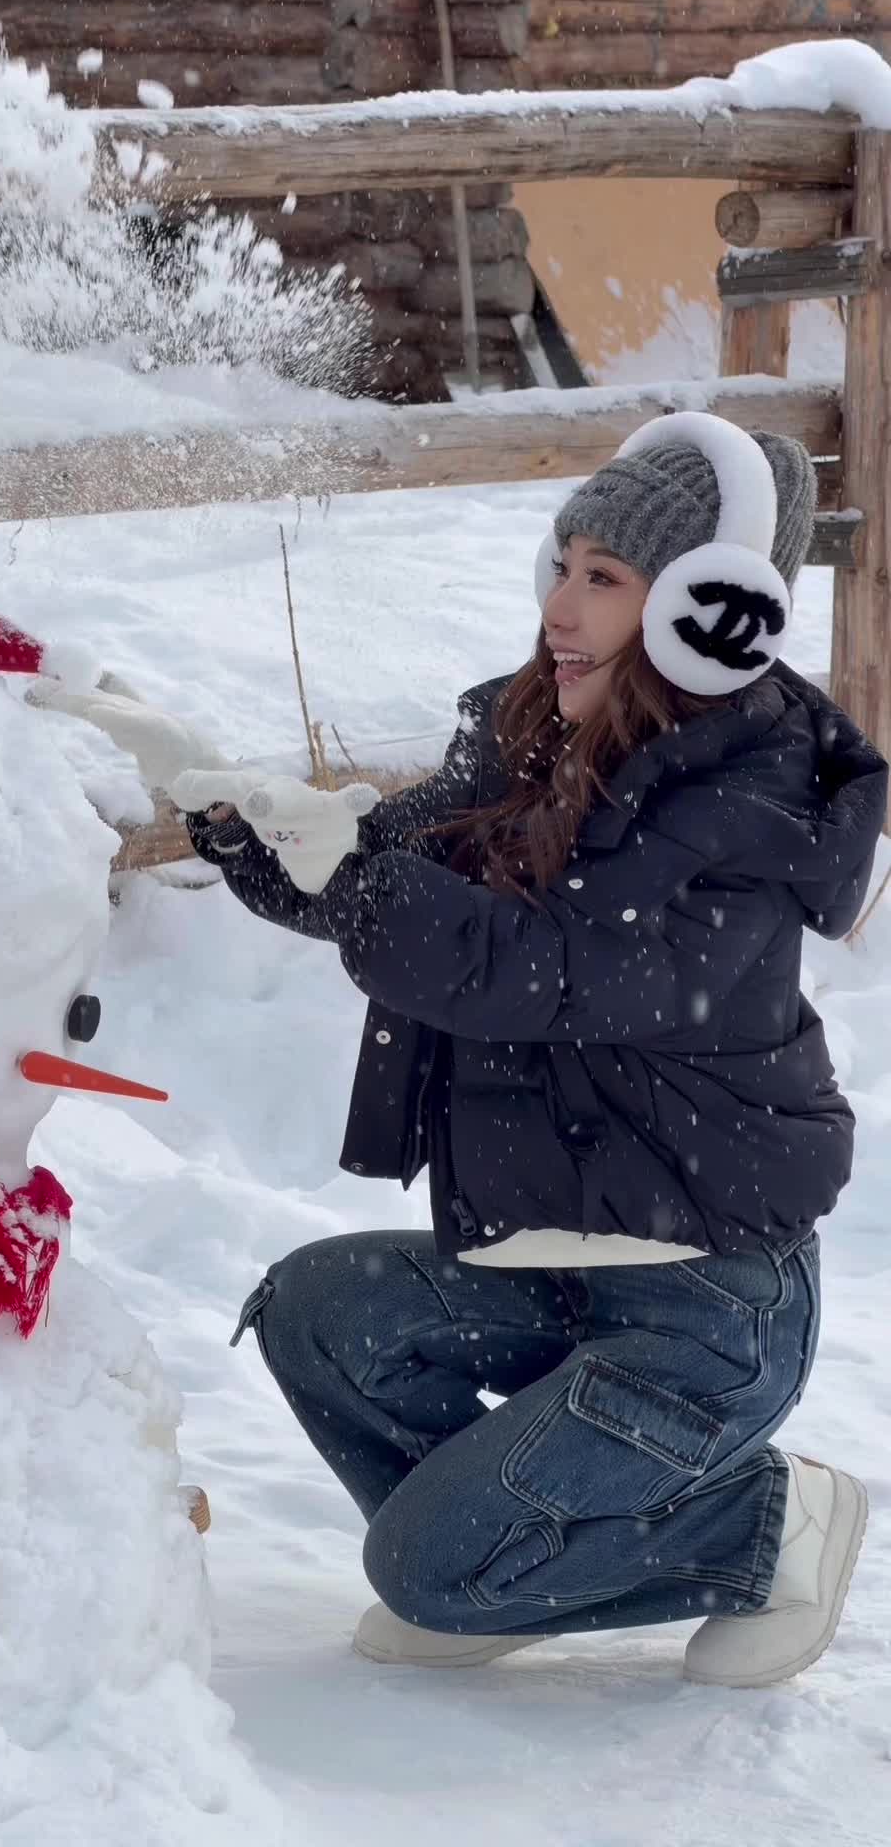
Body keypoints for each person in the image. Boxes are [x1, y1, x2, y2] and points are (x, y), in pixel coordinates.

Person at [186, 412, 887, 1688]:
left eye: (603, 577)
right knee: (318, 1313)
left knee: (417, 1574)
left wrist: (361, 884)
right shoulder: (533, 735)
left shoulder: (752, 803)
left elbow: (544, 969)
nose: (559, 606)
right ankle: (506, 1561)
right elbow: (389, 878)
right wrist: (251, 833)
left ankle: (767, 1521)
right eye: (562, 563)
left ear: (707, 612)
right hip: (557, 1268)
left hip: (704, 1309)